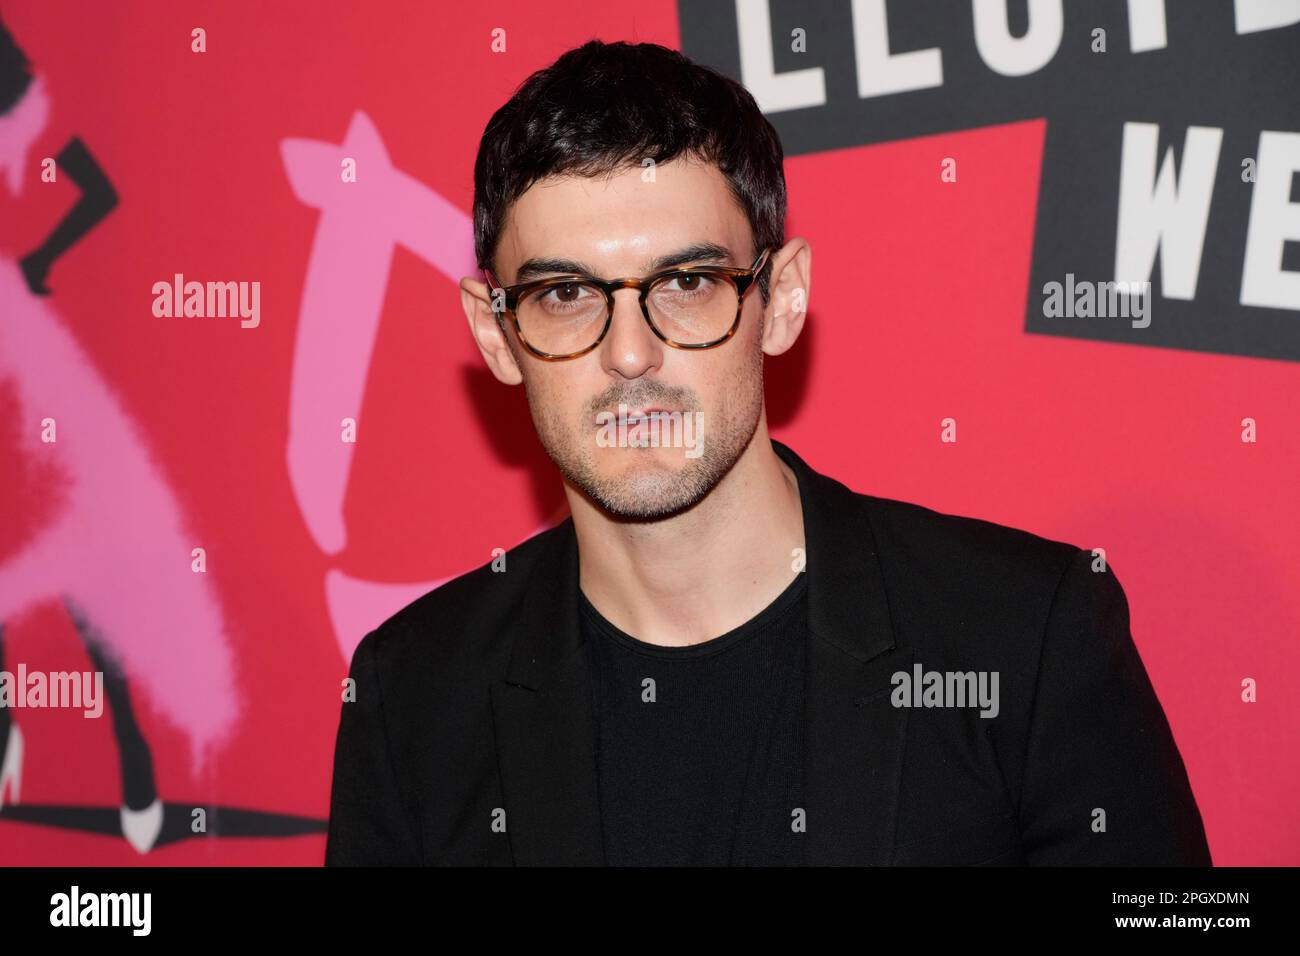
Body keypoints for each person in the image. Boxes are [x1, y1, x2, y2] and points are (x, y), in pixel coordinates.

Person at [325, 39, 1211, 866]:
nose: (629, 353)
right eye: (565, 292)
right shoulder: (412, 698)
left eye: (686, 283)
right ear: (495, 334)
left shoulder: (1024, 638)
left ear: (782, 299)